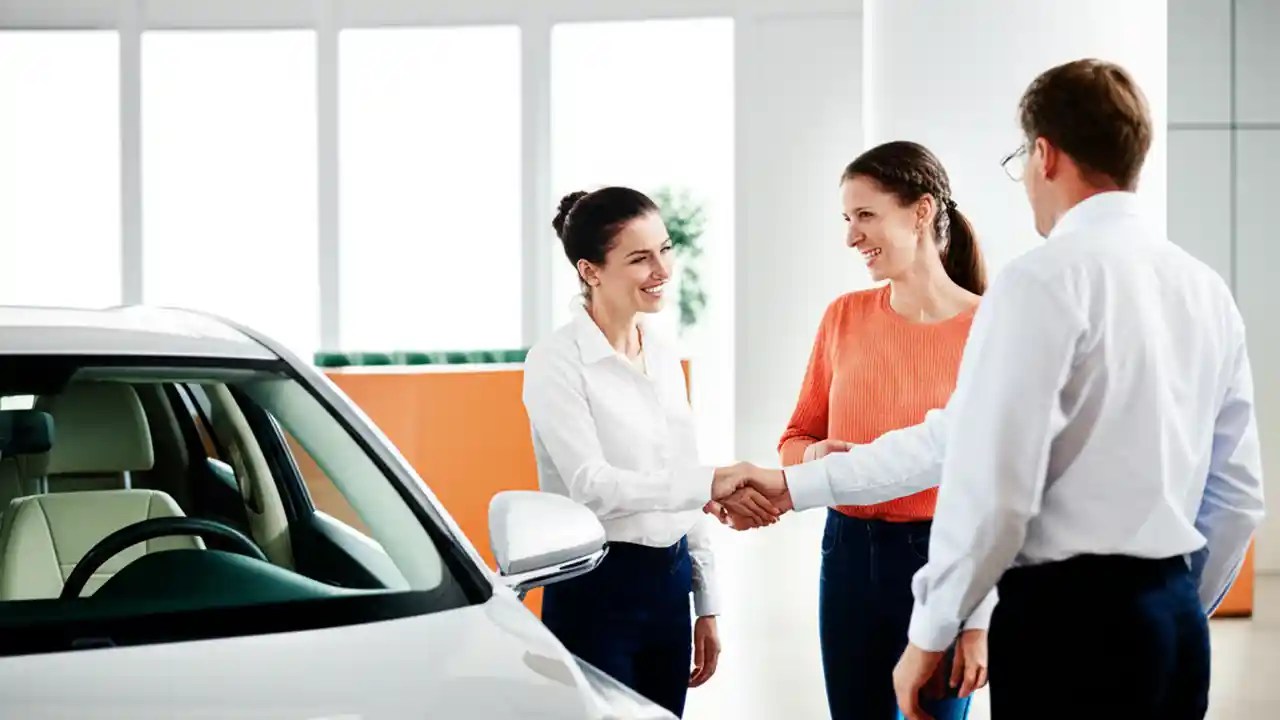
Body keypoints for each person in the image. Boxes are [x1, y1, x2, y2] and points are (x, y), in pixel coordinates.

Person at [721, 58, 1266, 719]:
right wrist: (1176, 603)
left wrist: (933, 627)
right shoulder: (1204, 289)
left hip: (1063, 620)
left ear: (1045, 155)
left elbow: (986, 477)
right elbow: (1237, 499)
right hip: (1173, 619)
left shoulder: (1040, 282)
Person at [521, 186, 780, 717]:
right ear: (591, 271)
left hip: (668, 585)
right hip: (595, 588)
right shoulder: (555, 361)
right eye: (640, 258)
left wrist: (705, 602)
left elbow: (682, 477)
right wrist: (709, 481)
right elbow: (591, 487)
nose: (662, 268)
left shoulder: (662, 355)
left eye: (664, 249)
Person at [778, 141, 992, 720]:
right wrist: (814, 456)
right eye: (847, 219)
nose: (851, 236)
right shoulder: (843, 316)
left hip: (945, 558)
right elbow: (794, 437)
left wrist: (980, 620)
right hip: (846, 554)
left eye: (865, 215)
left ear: (921, 211)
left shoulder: (991, 326)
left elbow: (1007, 486)